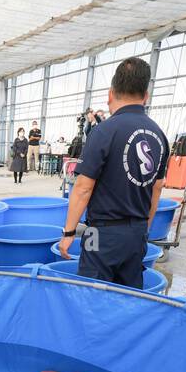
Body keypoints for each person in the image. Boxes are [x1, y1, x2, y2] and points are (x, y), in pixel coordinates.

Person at [58, 57, 169, 288]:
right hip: (137, 232)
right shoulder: (160, 135)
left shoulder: (103, 132)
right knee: (129, 297)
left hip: (99, 234)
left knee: (91, 296)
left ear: (111, 93)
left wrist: (69, 232)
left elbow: (83, 187)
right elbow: (157, 188)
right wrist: (142, 230)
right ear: (145, 96)